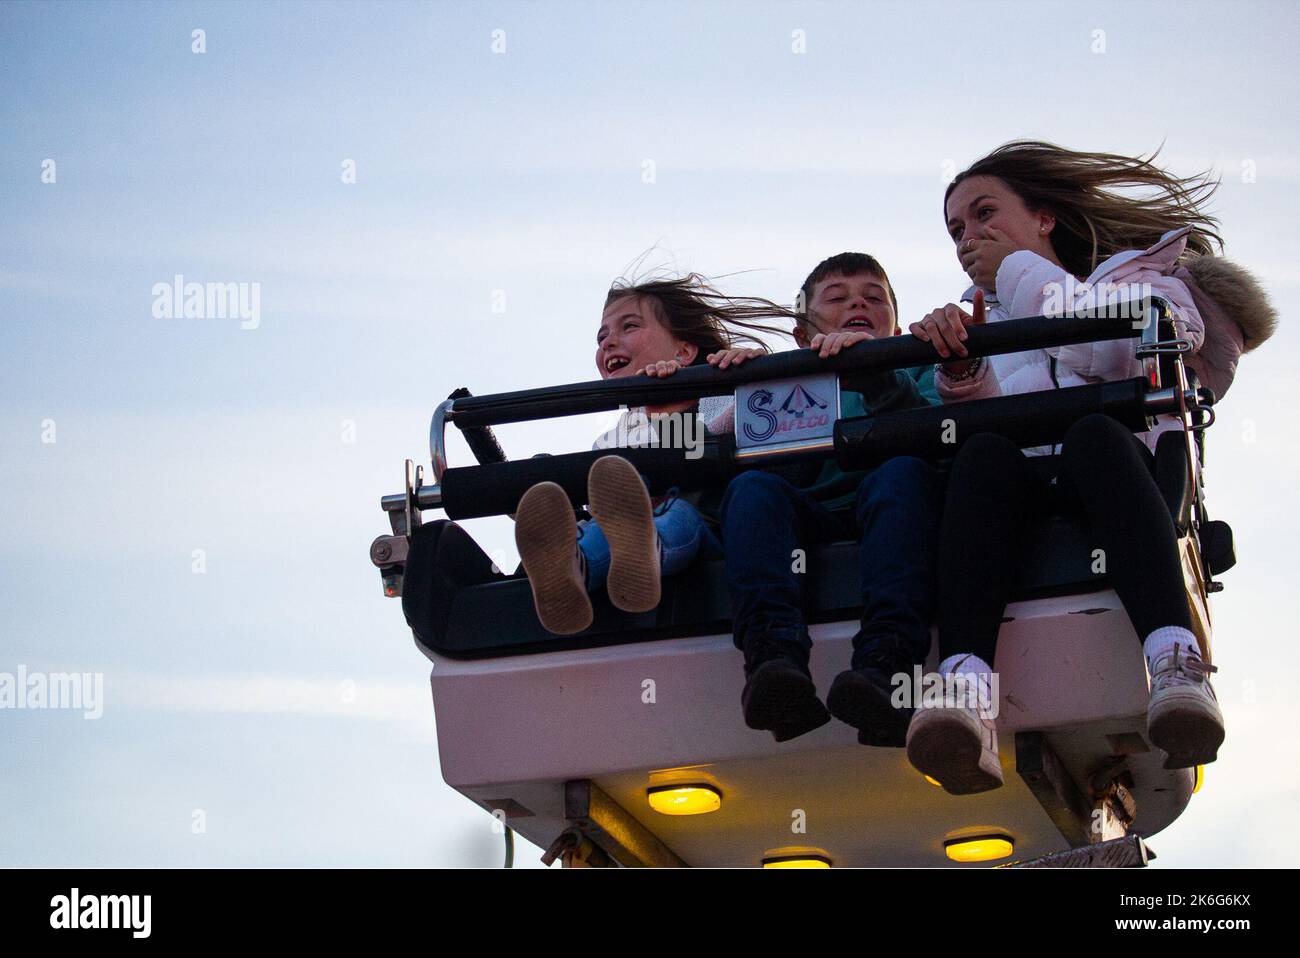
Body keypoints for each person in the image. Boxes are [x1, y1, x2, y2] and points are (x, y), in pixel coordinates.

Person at [905, 140, 1274, 794]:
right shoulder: (980, 316)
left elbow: (1109, 355)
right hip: (1021, 483)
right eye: (956, 229)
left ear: (1043, 217)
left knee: (1095, 432)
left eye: (985, 214)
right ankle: (965, 686)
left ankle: (1176, 665)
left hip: (1116, 478)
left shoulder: (1146, 279)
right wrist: (963, 367)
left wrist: (1018, 271)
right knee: (983, 454)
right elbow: (987, 417)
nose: (969, 238)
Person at [714, 252, 944, 744]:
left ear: (895, 322)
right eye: (837, 298)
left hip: (896, 510)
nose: (858, 302)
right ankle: (774, 663)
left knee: (901, 474)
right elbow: (750, 469)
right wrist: (747, 395)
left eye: (873, 297)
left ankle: (887, 665)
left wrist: (881, 379)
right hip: (810, 517)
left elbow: (941, 443)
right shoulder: (786, 379)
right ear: (802, 332)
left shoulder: (921, 365)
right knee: (751, 490)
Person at [513, 274, 792, 636]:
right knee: (596, 523)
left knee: (678, 515)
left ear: (683, 352)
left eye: (629, 327)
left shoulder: (716, 399)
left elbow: (733, 428)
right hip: (620, 535)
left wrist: (744, 374)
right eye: (601, 337)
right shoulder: (614, 437)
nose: (609, 341)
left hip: (703, 531)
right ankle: (571, 570)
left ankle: (647, 553)